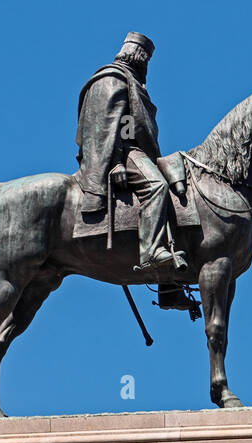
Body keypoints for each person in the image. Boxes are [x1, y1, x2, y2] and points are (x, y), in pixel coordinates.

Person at [75, 31, 187, 274]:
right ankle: (152, 252)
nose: (146, 64)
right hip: (122, 151)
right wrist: (115, 163)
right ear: (138, 57)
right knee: (157, 186)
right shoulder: (113, 79)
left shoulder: (130, 81)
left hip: (133, 151)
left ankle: (169, 286)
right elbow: (105, 127)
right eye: (145, 59)